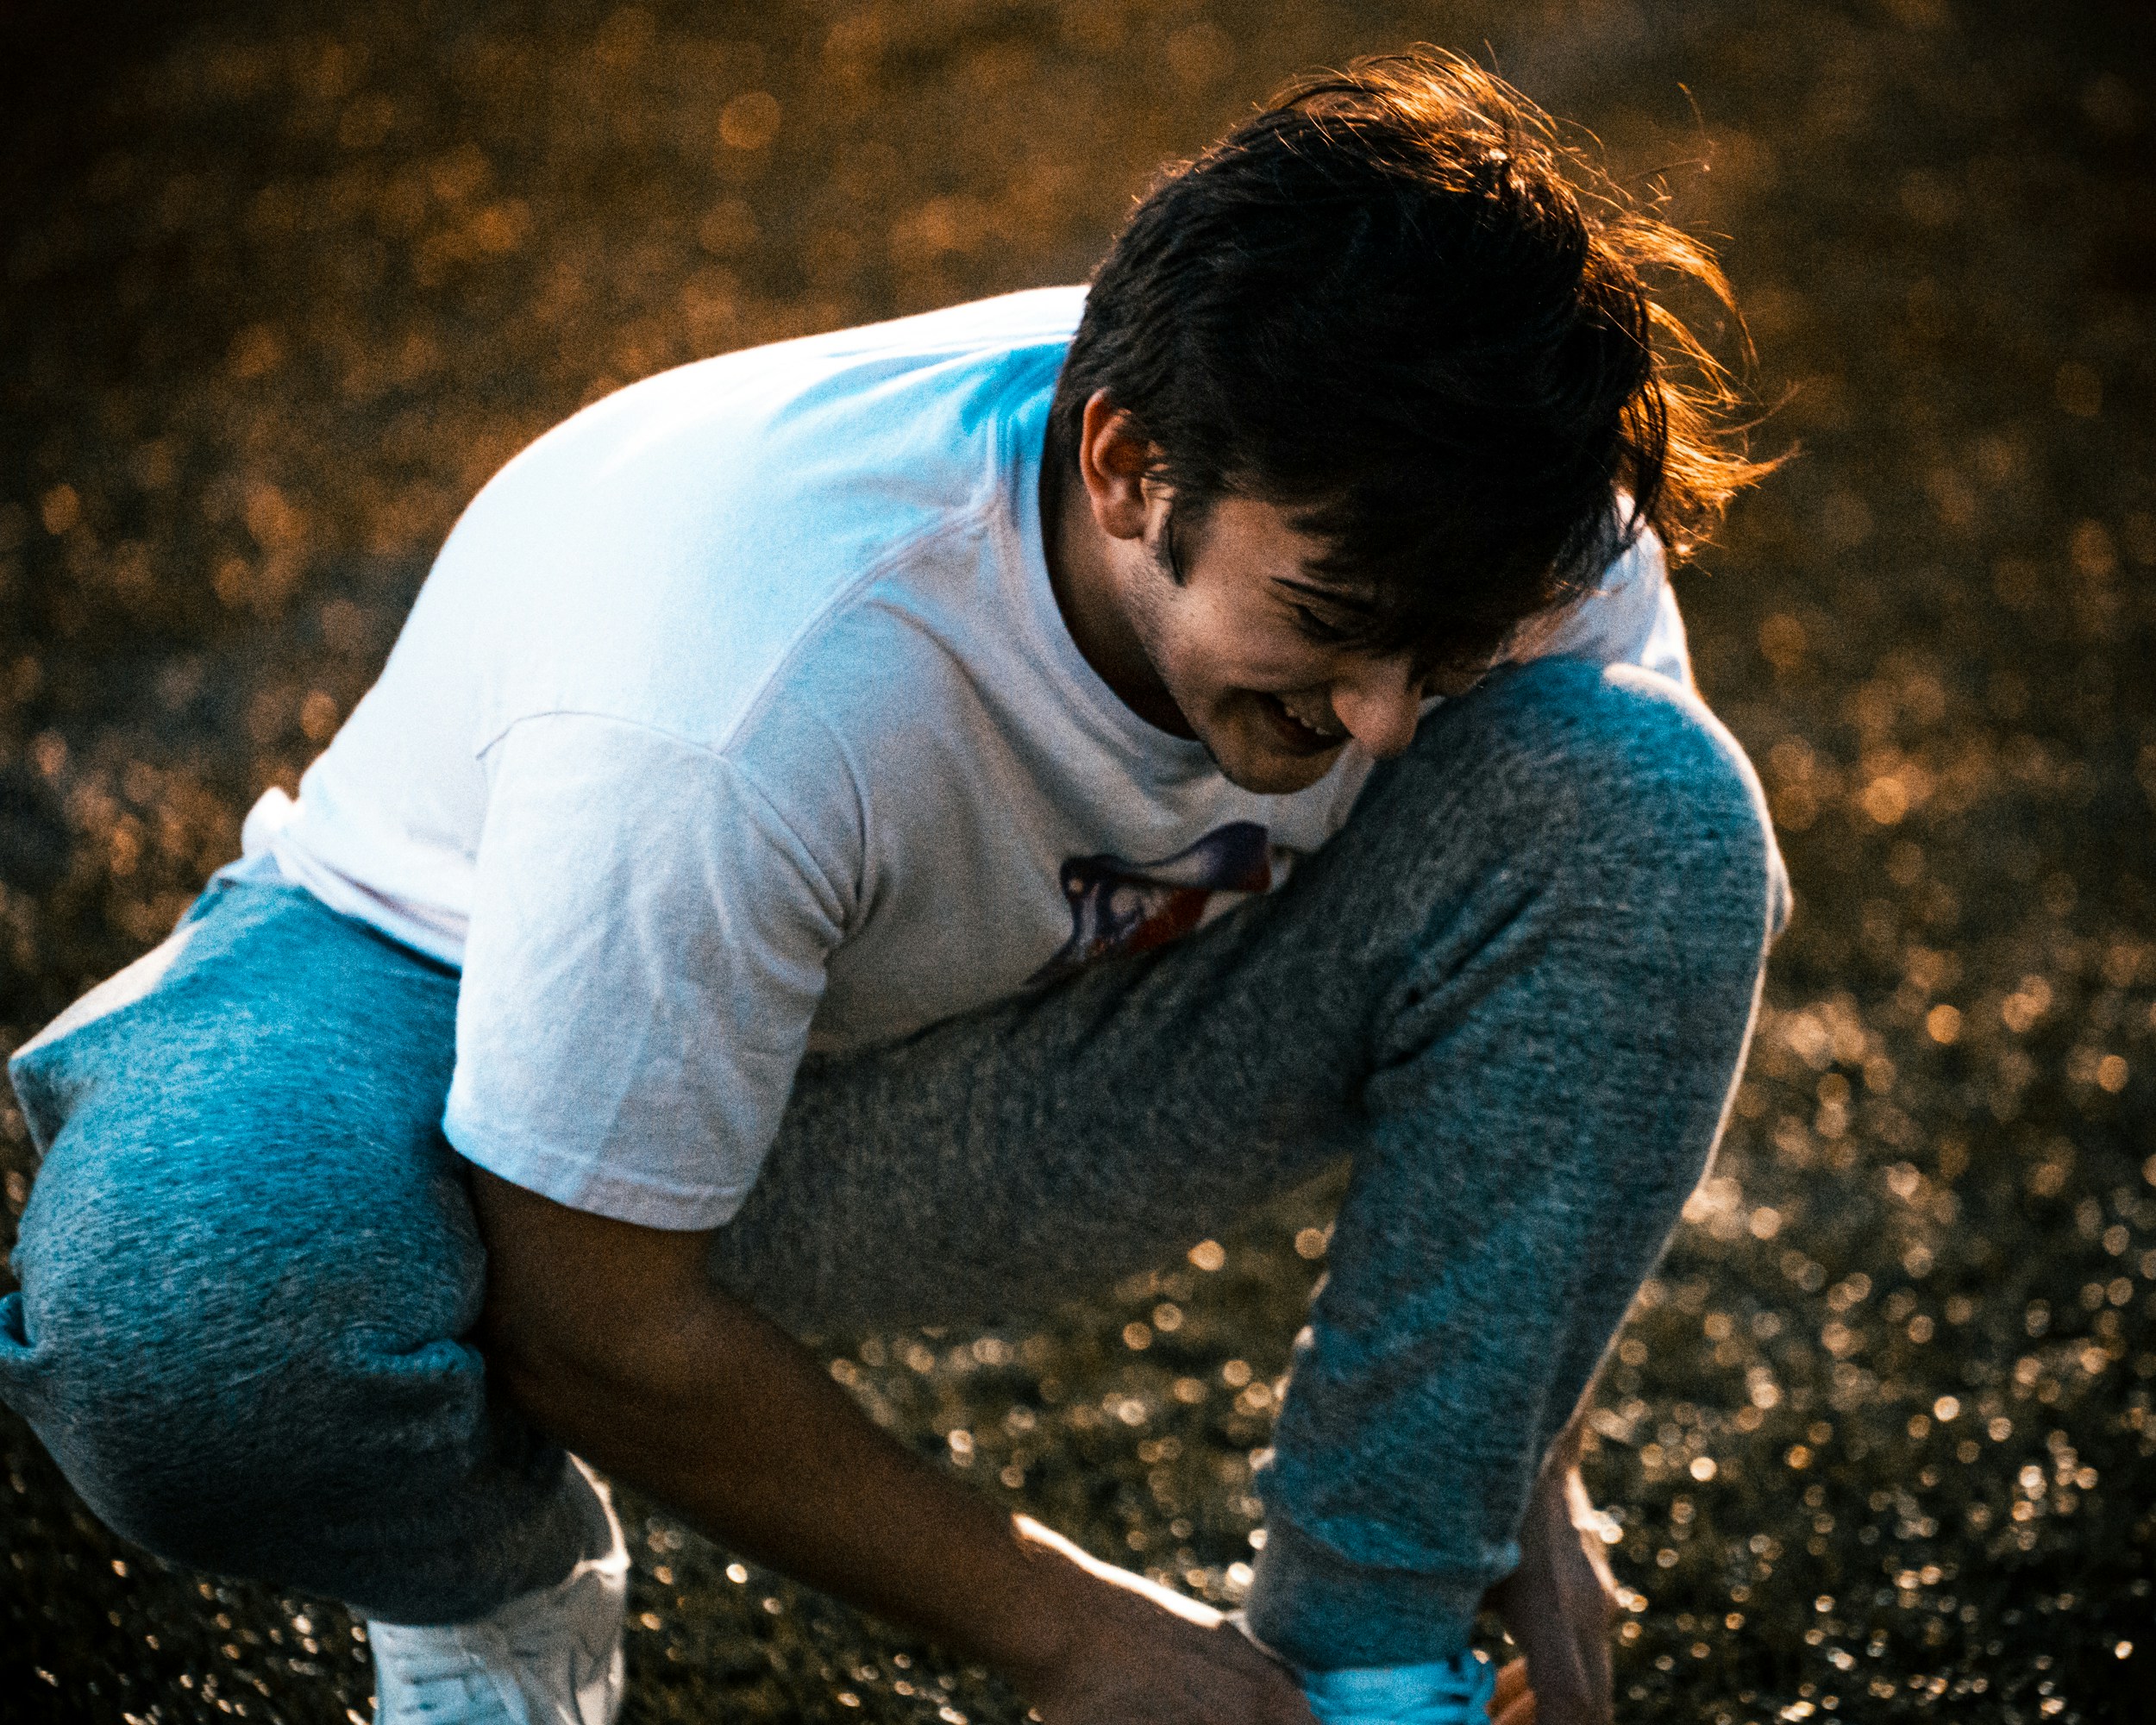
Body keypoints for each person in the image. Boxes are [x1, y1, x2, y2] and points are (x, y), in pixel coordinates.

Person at [0, 51, 1786, 1725]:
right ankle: (489, 1580)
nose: (1388, 725)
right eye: (1328, 627)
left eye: (1447, 651)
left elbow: (1591, 956)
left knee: (1648, 805)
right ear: (1123, 466)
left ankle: (1358, 1670)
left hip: (993, 1033)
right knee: (188, 1318)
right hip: (436, 1009)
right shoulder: (749, 682)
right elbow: (589, 1312)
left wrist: (1506, 1467)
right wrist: (1089, 1637)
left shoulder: (1503, 527)